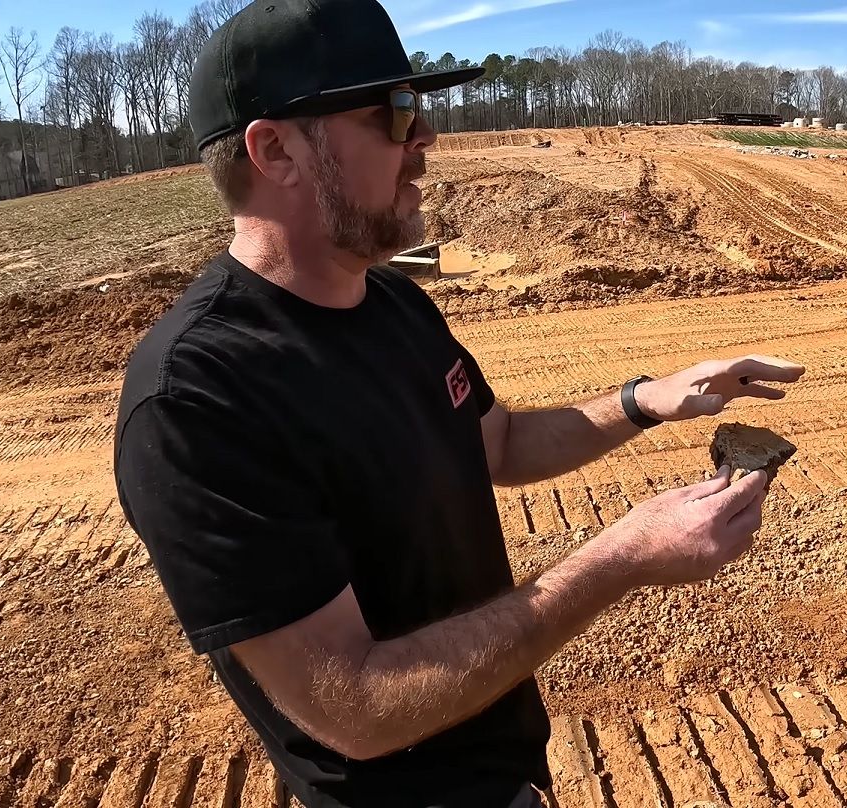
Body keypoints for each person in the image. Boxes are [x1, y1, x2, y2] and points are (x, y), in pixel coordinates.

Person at [112, 1, 805, 806]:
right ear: (277, 150)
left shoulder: (395, 305)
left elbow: (496, 443)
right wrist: (623, 557)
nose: (426, 137)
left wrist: (649, 399)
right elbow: (357, 707)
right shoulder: (198, 399)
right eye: (394, 111)